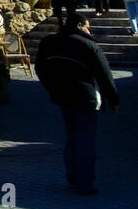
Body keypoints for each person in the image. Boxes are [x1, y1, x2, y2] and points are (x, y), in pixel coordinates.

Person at [35, 13, 119, 195]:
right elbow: (105, 77)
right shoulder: (89, 46)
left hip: (62, 97)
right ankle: (85, 183)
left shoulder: (49, 43)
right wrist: (113, 100)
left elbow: (40, 69)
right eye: (88, 26)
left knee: (71, 137)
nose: (90, 30)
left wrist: (51, 87)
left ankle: (72, 175)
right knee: (85, 140)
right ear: (80, 25)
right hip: (86, 98)